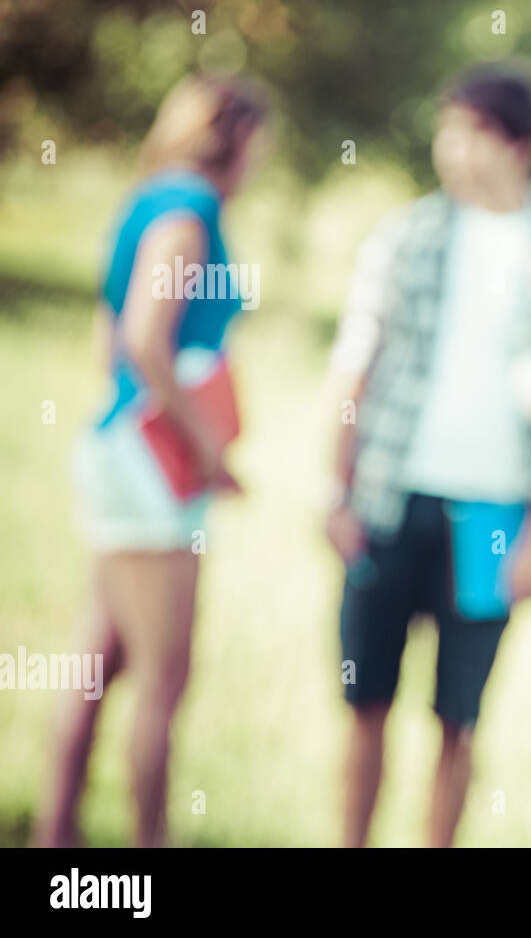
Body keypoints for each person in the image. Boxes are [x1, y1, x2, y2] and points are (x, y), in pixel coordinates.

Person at [323, 59, 531, 848]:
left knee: (459, 717)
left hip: (495, 518)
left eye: (474, 132)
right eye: (447, 130)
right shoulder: (405, 234)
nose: (454, 149)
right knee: (365, 700)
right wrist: (332, 489)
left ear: (522, 145)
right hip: (389, 497)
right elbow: (353, 367)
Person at [38, 74, 271, 847]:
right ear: (236, 137)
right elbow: (142, 337)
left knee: (98, 659)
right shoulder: (188, 211)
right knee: (166, 679)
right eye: (261, 140)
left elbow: (110, 339)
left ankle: (57, 835)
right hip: (152, 465)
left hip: (120, 448)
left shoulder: (147, 197)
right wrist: (205, 447)